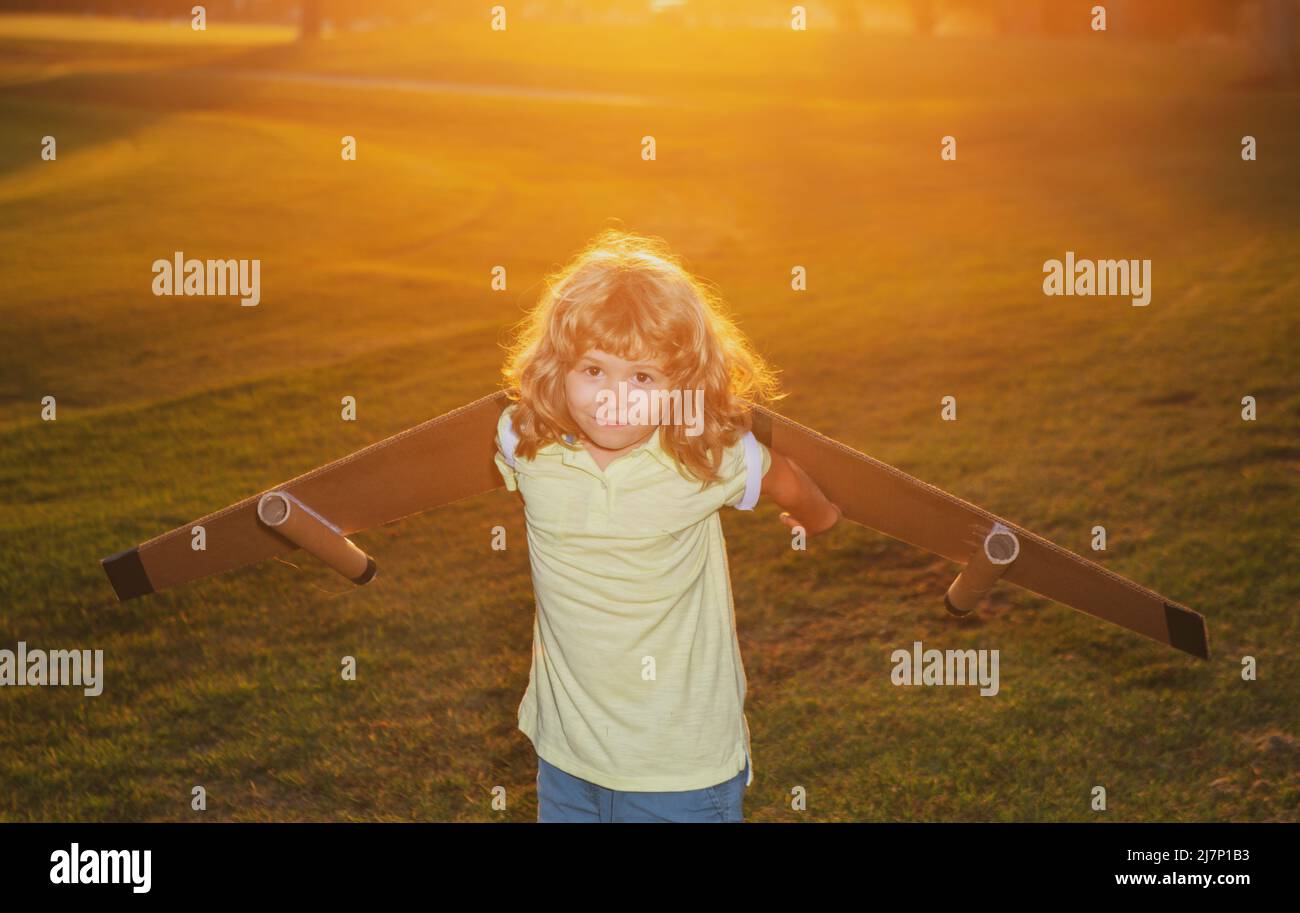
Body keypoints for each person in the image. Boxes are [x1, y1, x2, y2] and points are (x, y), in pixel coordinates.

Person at [493, 229, 840, 822]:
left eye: (644, 378)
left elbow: (782, 476)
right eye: (593, 370)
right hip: (567, 755)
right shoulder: (525, 444)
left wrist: (818, 515)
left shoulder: (704, 458)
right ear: (558, 367)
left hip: (680, 767)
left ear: (685, 385)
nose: (614, 399)